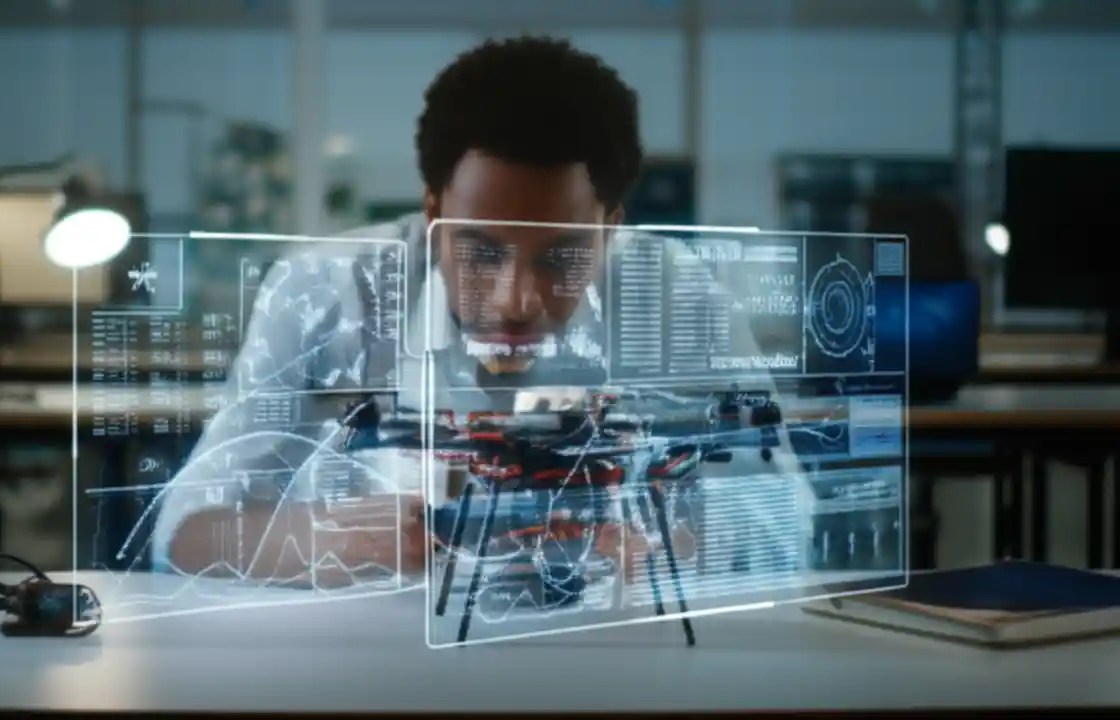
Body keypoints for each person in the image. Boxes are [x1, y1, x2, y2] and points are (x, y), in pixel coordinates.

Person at [153, 36, 805, 590]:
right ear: (434, 215)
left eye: (562, 256)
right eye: (482, 251)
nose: (514, 300)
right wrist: (330, 538)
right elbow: (181, 535)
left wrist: (670, 541)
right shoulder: (322, 291)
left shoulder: (678, 300)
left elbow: (787, 528)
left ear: (611, 228)